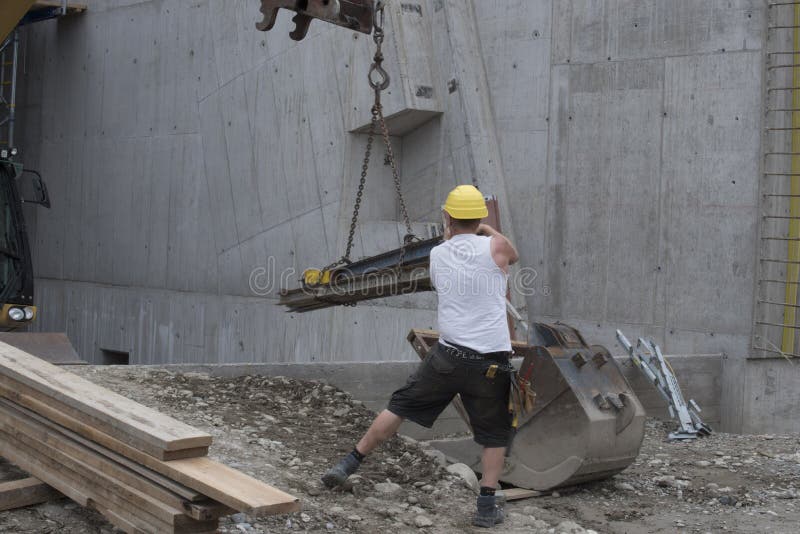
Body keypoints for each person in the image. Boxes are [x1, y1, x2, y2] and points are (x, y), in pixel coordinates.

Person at [322, 184, 519, 528]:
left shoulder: (438, 255)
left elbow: (452, 246)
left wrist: (452, 233)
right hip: (489, 363)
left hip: (447, 357)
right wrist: (486, 229)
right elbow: (511, 253)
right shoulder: (496, 247)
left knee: (400, 406)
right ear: (480, 218)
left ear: (447, 217)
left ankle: (349, 463)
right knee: (494, 433)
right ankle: (486, 507)